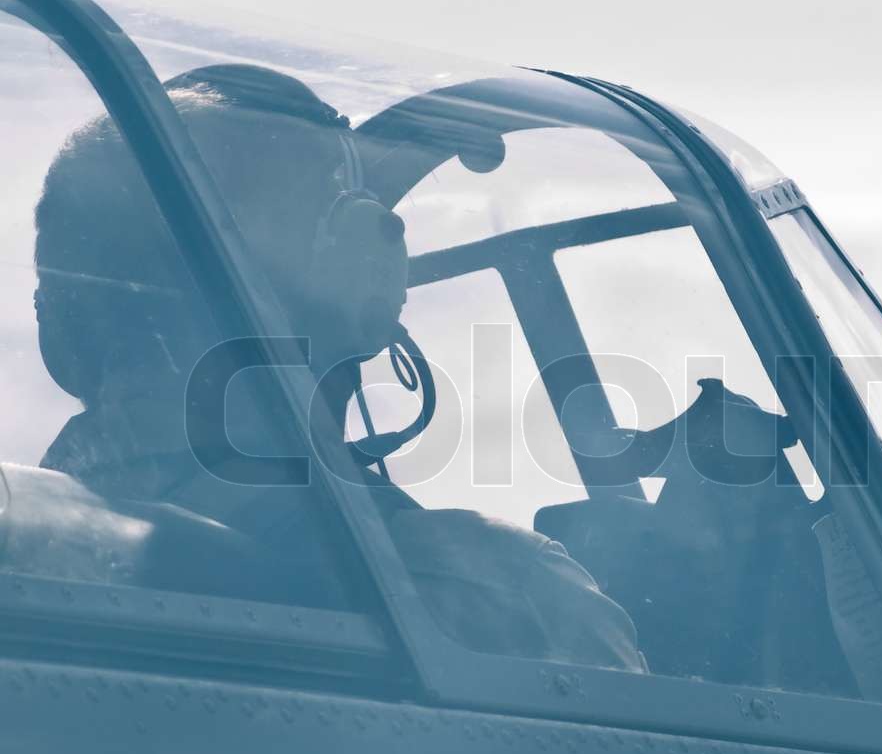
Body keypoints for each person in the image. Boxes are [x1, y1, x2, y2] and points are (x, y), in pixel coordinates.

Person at [32, 63, 644, 672]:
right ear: (355, 260)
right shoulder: (504, 592)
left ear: (60, 317)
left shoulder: (31, 534)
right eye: (341, 198)